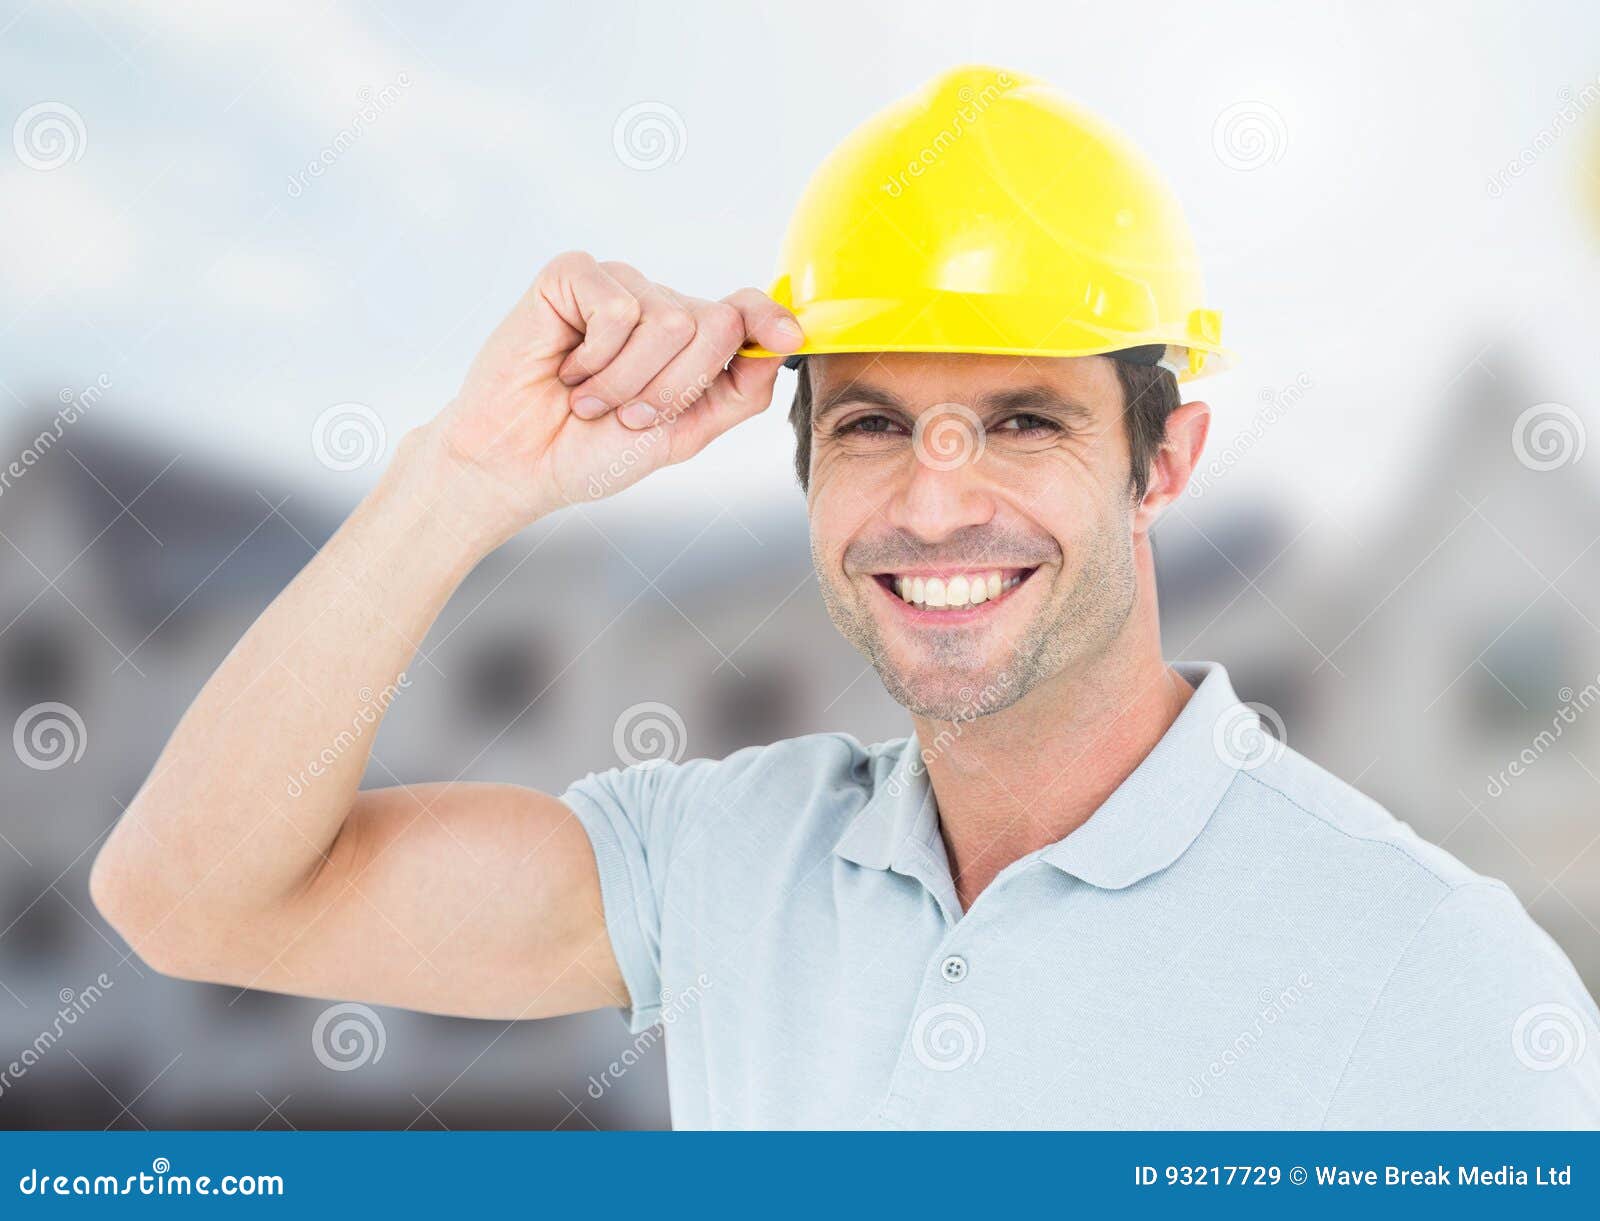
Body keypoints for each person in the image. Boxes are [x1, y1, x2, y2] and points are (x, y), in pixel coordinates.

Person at [91, 66, 1600, 1129]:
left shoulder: (1427, 968)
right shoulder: (723, 863)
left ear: (1165, 459)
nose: (936, 503)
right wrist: (463, 478)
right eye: (873, 422)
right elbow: (187, 894)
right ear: (804, 462)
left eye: (1023, 420)